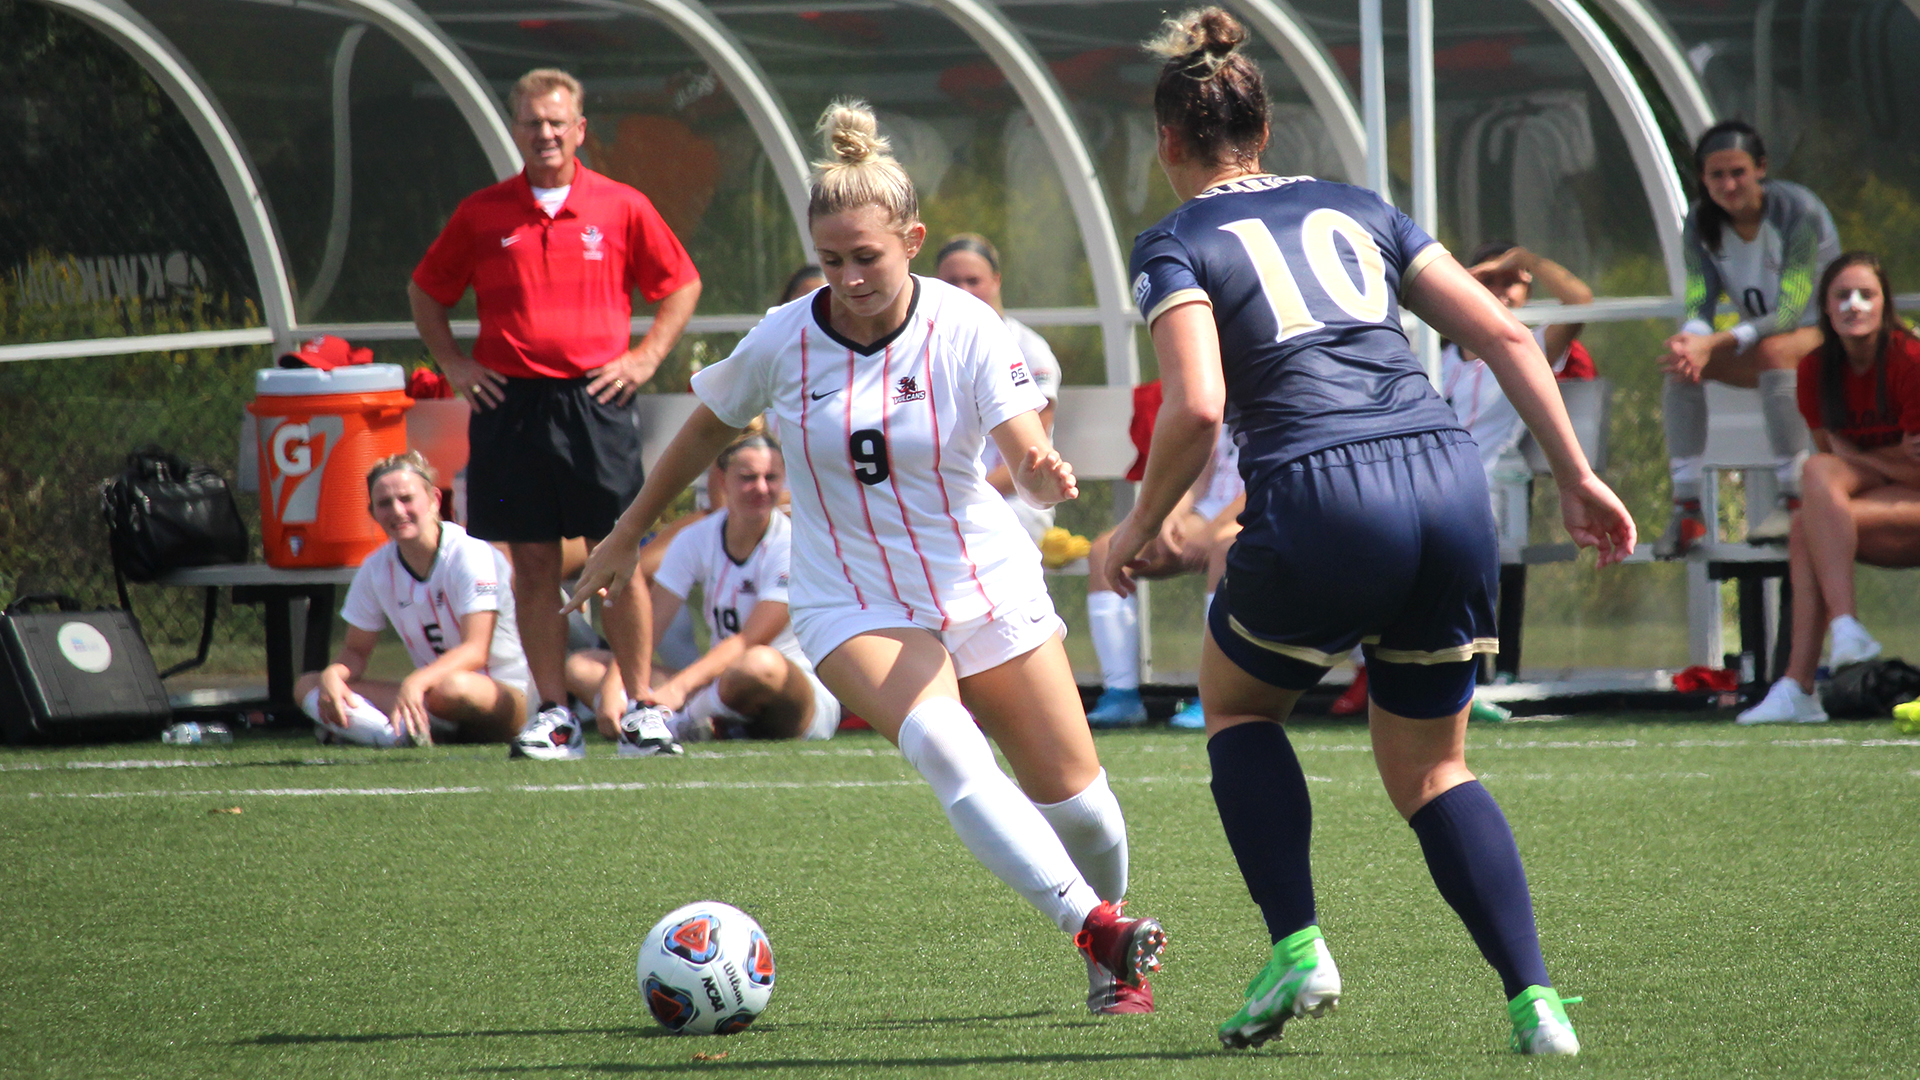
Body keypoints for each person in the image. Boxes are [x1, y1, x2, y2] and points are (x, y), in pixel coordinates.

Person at [1106, 8, 1634, 1055]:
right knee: (1435, 769)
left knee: (1238, 705)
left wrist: (1139, 524)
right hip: (1446, 481)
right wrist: (1577, 474)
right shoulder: (1360, 208)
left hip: (1322, 492)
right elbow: (1502, 331)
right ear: (1265, 132)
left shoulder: (1175, 240)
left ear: (1168, 141)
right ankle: (1534, 1002)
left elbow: (1199, 404)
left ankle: (1298, 945)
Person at [567, 100, 1168, 1016]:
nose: (847, 278)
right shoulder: (783, 336)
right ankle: (1094, 929)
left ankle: (1107, 952)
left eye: (866, 258)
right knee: (950, 750)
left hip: (981, 578)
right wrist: (627, 533)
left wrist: (1041, 475)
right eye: (831, 259)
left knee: (1084, 811)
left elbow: (1023, 453)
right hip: (852, 601)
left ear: (912, 242)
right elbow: (704, 431)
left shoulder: (966, 325)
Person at [408, 67, 702, 761]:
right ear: (516, 130)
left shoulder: (622, 204)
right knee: (533, 564)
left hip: (596, 402)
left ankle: (640, 709)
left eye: (556, 122)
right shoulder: (483, 212)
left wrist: (645, 358)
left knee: (617, 555)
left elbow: (680, 283)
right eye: (532, 122)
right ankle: (554, 715)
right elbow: (427, 290)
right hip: (509, 405)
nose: (545, 133)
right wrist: (454, 364)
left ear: (579, 130)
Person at [1328, 242, 1596, 715]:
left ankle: (1454, 683)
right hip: (1413, 482)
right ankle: (1370, 670)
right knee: (1350, 531)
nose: (1501, 291)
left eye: (1512, 283)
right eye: (1488, 281)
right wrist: (1459, 278)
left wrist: (1526, 259)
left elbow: (1579, 301)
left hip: (1483, 485)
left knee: (1428, 550)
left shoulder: (1527, 348)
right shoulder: (1432, 350)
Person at [567, 430, 843, 746]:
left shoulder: (791, 542)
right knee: (581, 667)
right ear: (722, 480)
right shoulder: (696, 536)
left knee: (758, 664)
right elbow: (649, 626)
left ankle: (677, 721)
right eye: (748, 478)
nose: (761, 488)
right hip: (718, 683)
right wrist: (614, 684)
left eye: (771, 478)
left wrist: (677, 689)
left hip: (790, 690)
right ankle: (679, 718)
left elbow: (748, 641)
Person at [1738, 252, 1920, 723]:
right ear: (1825, 307)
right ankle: (1834, 641)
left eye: (1866, 295)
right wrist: (1891, 459)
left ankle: (1802, 679)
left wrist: (1861, 457)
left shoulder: (1911, 361)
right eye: (1842, 296)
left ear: (1885, 304)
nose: (1853, 305)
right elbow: (1833, 466)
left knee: (1810, 524)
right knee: (1816, 479)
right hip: (1882, 494)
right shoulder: (1814, 370)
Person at [1657, 121, 1840, 554]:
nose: (1728, 185)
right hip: (1763, 346)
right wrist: (1693, 340)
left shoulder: (1797, 211)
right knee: (1682, 365)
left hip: (1827, 341)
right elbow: (1699, 300)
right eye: (1716, 175)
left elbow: (1790, 313)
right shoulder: (1699, 221)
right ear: (1702, 178)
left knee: (1774, 349)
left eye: (1738, 172)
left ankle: (1793, 498)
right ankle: (1687, 507)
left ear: (1761, 168)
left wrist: (1714, 343)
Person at [296, 452, 530, 747]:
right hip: (431, 694)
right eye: (384, 503)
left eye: (407, 499)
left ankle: (394, 730)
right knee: (308, 685)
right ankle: (395, 737)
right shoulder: (375, 567)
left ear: (434, 499)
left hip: (505, 693)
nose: (397, 510)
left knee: (453, 689)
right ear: (372, 512)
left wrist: (417, 681)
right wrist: (334, 675)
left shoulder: (469, 552)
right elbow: (355, 651)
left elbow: (475, 650)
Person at [1082, 422, 1243, 730]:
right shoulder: (1220, 403)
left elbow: (1273, 478)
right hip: (1207, 514)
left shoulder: (1286, 401)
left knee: (1227, 549)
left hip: (1265, 510)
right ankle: (1121, 696)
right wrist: (1170, 515)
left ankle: (1216, 697)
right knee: (1105, 551)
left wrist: (1213, 531)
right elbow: (1199, 473)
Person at [934, 233, 1064, 544]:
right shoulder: (926, 348)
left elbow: (1033, 453)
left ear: (996, 280)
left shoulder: (1029, 350)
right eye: (952, 282)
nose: (963, 291)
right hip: (946, 501)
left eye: (973, 280)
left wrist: (959, 498)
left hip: (1015, 499)